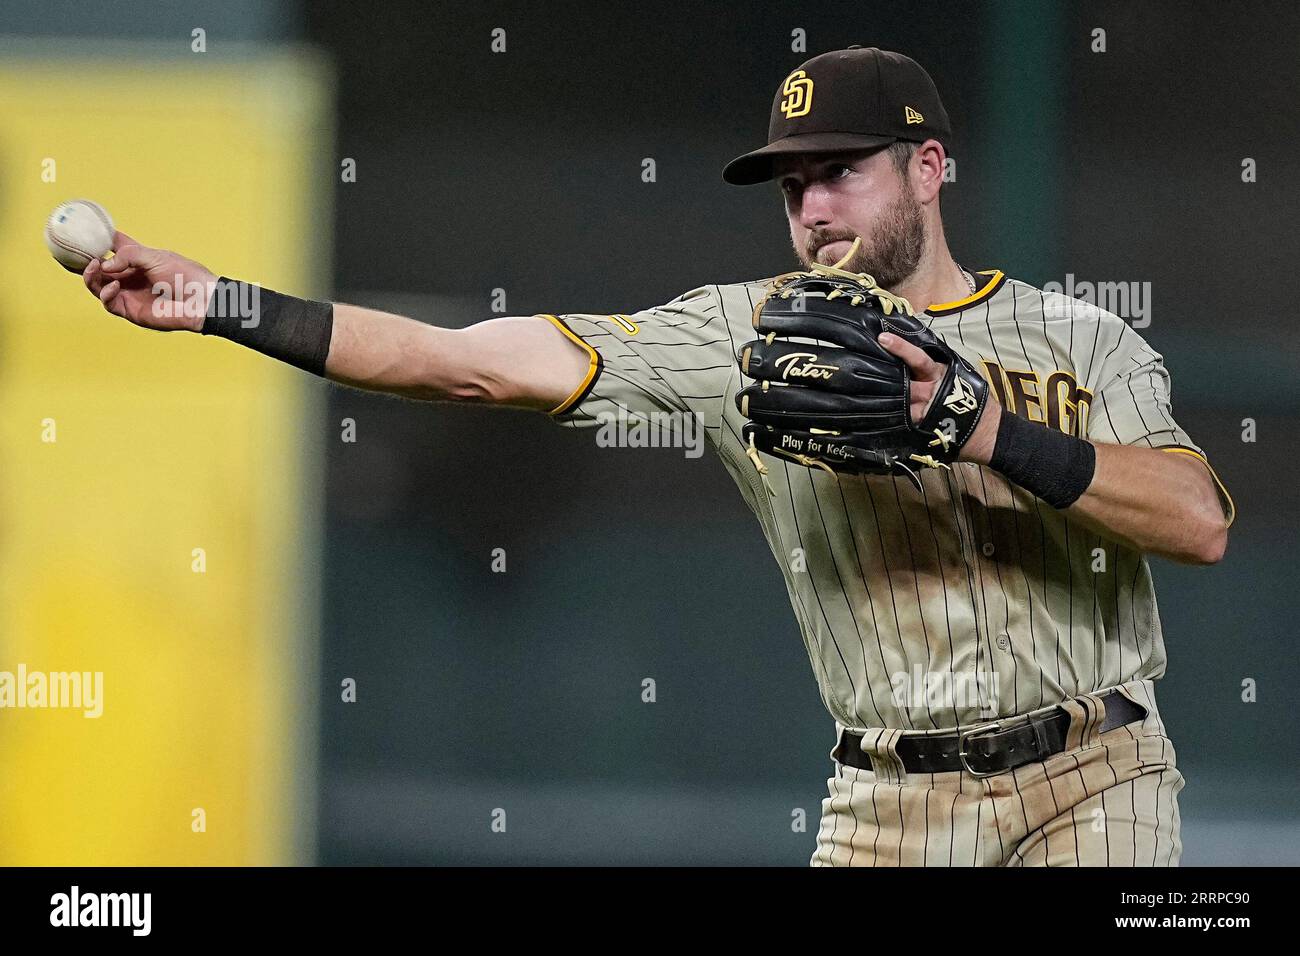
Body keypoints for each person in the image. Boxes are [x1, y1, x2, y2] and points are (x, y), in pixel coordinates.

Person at [80, 46, 1232, 866]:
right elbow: (466, 360)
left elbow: (1199, 520)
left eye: (843, 170)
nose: (814, 206)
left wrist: (989, 429)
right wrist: (219, 300)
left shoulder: (1079, 337)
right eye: (793, 186)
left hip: (1095, 775)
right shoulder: (742, 333)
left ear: (928, 167)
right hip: (890, 802)